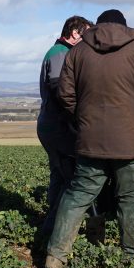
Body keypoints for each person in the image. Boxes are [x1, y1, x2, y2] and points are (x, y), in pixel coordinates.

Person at [45, 9, 134, 268]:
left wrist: (84, 119)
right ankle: (133, 257)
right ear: (124, 26)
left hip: (91, 141)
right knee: (132, 198)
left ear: (98, 26)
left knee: (77, 194)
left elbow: (65, 93)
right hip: (131, 141)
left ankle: (56, 254)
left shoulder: (77, 52)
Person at [37, 15, 93, 235]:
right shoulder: (60, 53)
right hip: (58, 126)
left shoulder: (59, 52)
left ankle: (50, 226)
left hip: (53, 125)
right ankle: (53, 229)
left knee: (60, 175)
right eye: (85, 34)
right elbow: (61, 90)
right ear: (75, 33)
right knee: (71, 178)